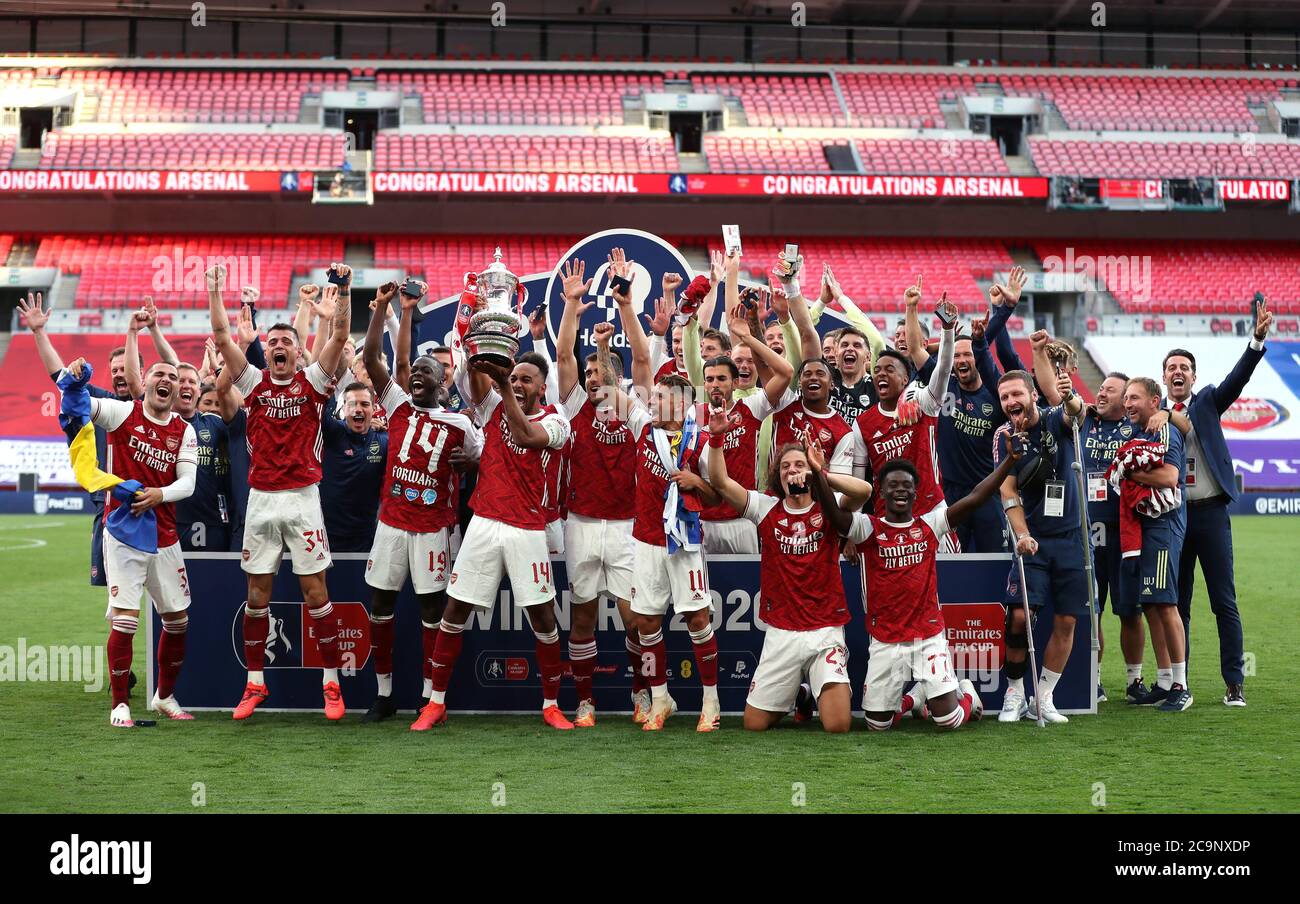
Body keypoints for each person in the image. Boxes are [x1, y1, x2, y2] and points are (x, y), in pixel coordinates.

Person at [209, 262, 353, 721]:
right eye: (272, 343)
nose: (278, 346)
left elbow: (338, 335)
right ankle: (256, 684)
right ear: (264, 352)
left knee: (316, 594)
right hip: (261, 501)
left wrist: (342, 290)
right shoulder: (251, 384)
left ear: (297, 351)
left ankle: (331, 683)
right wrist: (215, 291)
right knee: (257, 597)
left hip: (303, 499)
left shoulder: (313, 383)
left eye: (287, 341)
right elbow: (221, 335)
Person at [413, 350, 573, 731]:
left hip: (527, 527)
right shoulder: (493, 406)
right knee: (454, 612)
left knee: (543, 617)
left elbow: (526, 435)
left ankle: (551, 704)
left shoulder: (556, 421)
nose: (518, 384)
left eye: (526, 380)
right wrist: (477, 349)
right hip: (484, 521)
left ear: (542, 386)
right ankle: (436, 703)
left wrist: (502, 385)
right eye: (514, 378)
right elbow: (475, 373)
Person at [820, 445, 1023, 732]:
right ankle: (913, 699)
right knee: (877, 726)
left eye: (907, 486)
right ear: (881, 492)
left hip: (926, 635)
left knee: (947, 720)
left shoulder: (930, 524)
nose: (900, 491)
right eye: (892, 485)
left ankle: (965, 692)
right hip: (885, 638)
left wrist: (1009, 461)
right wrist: (819, 473)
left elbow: (976, 496)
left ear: (916, 493)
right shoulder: (868, 529)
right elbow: (834, 515)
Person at [359, 280, 481, 722]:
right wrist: (387, 309)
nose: (414, 375)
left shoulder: (462, 424)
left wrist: (473, 463)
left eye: (424, 372)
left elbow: (491, 463)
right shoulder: (397, 408)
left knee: (432, 610)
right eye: (412, 372)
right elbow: (375, 358)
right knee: (381, 606)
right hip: (391, 523)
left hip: (434, 528)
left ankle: (432, 696)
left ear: (442, 380)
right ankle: (385, 693)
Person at [706, 423, 869, 733]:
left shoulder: (829, 506)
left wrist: (822, 473)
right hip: (782, 631)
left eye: (799, 464)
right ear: (777, 475)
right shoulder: (766, 508)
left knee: (838, 726)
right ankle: (799, 693)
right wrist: (715, 436)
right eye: (785, 466)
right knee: (754, 725)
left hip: (824, 630)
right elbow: (720, 481)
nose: (792, 470)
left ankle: (812, 691)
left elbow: (865, 492)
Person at [69, 356, 198, 727]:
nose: (168, 380)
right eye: (159, 373)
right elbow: (80, 404)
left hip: (165, 535)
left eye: (173, 378)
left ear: (177, 389)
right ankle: (120, 704)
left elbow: (187, 484)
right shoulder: (121, 413)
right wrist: (75, 380)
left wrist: (159, 494)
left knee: (177, 621)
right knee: (126, 621)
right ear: (145, 382)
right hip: (124, 534)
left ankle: (164, 697)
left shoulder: (183, 431)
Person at [554, 255, 655, 725]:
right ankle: (587, 701)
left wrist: (625, 307)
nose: (591, 378)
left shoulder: (634, 404)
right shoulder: (575, 404)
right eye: (588, 373)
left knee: (635, 618)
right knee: (582, 618)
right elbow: (562, 355)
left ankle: (641, 693)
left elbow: (639, 357)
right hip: (581, 523)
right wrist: (573, 305)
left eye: (598, 372)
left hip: (626, 525)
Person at [1162, 298, 1272, 706]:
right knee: (1179, 603)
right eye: (1172, 368)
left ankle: (1234, 683)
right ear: (1163, 377)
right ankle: (1179, 683)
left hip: (1210, 514)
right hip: (1172, 517)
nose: (1178, 372)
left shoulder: (1208, 401)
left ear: (1193, 377)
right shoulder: (1155, 413)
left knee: (1223, 601)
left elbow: (1238, 379)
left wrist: (1256, 341)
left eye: (1184, 368)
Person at [20, 292, 151, 588]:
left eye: (125, 369)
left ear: (140, 372)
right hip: (107, 504)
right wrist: (40, 332)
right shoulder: (98, 401)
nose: (119, 374)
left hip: (149, 503)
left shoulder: (150, 406)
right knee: (116, 595)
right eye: (114, 370)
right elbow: (61, 378)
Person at [627, 373, 722, 731]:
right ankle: (660, 696)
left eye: (659, 397)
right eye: (651, 397)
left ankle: (710, 701)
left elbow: (718, 494)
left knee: (698, 620)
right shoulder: (642, 428)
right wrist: (604, 346)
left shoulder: (700, 441)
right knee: (647, 623)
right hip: (645, 541)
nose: (650, 402)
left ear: (680, 405)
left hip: (684, 542)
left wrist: (698, 482)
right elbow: (613, 378)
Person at [993, 368, 1088, 724]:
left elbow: (1075, 413)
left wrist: (1068, 395)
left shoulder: (1053, 420)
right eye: (1005, 397)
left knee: (1066, 619)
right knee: (1019, 617)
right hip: (1032, 541)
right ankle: (1015, 692)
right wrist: (1022, 534)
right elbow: (1007, 490)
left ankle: (1044, 696)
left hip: (1071, 540)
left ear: (1033, 394)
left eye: (1017, 394)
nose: (1011, 402)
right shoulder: (1004, 435)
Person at [903, 284, 1009, 553]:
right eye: (957, 354)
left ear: (977, 358)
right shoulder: (944, 386)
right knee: (950, 563)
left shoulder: (995, 395)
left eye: (968, 355)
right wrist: (912, 307)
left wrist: (1002, 312)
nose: (961, 359)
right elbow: (916, 350)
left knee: (993, 561)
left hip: (987, 492)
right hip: (949, 494)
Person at [852, 297, 958, 544]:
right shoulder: (863, 423)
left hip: (933, 512)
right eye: (877, 370)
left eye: (890, 370)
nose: (881, 374)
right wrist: (854, 528)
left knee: (948, 579)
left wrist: (948, 331)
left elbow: (942, 370)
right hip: (886, 518)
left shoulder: (923, 403)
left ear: (905, 380)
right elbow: (858, 482)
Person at [1118, 377, 1190, 712]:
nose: (1128, 403)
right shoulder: (1140, 435)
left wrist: (1128, 475)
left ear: (1154, 401)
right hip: (1145, 528)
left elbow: (1169, 477)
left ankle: (1181, 684)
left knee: (1165, 604)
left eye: (1134, 398)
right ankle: (1163, 681)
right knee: (1150, 605)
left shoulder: (1165, 431)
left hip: (1164, 526)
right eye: (1126, 398)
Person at [320, 383, 388, 553]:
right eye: (352, 404)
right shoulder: (333, 432)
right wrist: (324, 395)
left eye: (364, 404)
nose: (358, 409)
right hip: (326, 535)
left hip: (366, 537)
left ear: (374, 408)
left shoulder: (384, 440)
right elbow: (317, 412)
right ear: (343, 407)